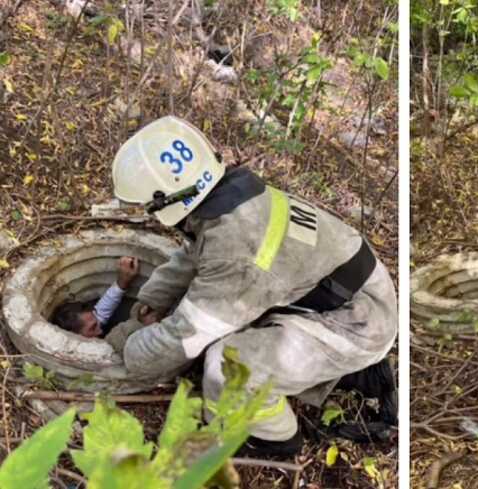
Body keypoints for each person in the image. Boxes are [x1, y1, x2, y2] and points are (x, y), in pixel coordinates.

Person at [105, 116, 398, 457]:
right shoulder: (232, 199)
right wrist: (150, 300)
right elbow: (194, 254)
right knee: (227, 324)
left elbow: (183, 336)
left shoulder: (237, 252)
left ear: (165, 200)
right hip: (345, 293)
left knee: (227, 367)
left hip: (359, 321)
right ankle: (352, 376)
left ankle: (275, 439)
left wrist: (129, 345)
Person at [52, 256, 139, 338]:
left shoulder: (90, 322)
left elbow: (103, 310)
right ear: (74, 336)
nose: (100, 331)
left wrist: (123, 281)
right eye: (93, 328)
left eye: (96, 323)